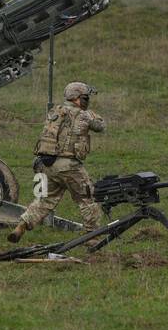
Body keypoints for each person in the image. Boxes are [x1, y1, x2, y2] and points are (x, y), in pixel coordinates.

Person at [8, 81, 106, 243]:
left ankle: (21, 226)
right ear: (77, 98)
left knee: (44, 200)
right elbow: (100, 126)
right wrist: (91, 114)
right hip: (69, 166)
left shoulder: (55, 111)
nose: (87, 100)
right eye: (85, 97)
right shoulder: (83, 115)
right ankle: (92, 236)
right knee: (88, 198)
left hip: (47, 164)